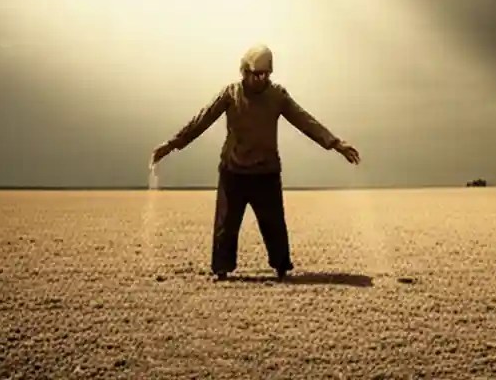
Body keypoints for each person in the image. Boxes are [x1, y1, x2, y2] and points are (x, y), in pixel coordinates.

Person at [150, 44, 361, 281]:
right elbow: (202, 119)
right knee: (226, 225)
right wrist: (172, 144)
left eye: (266, 74)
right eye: (257, 74)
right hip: (233, 172)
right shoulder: (231, 94)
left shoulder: (277, 96)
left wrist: (335, 143)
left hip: (266, 172)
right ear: (244, 71)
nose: (262, 80)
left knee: (274, 225)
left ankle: (281, 266)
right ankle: (222, 268)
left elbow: (305, 121)